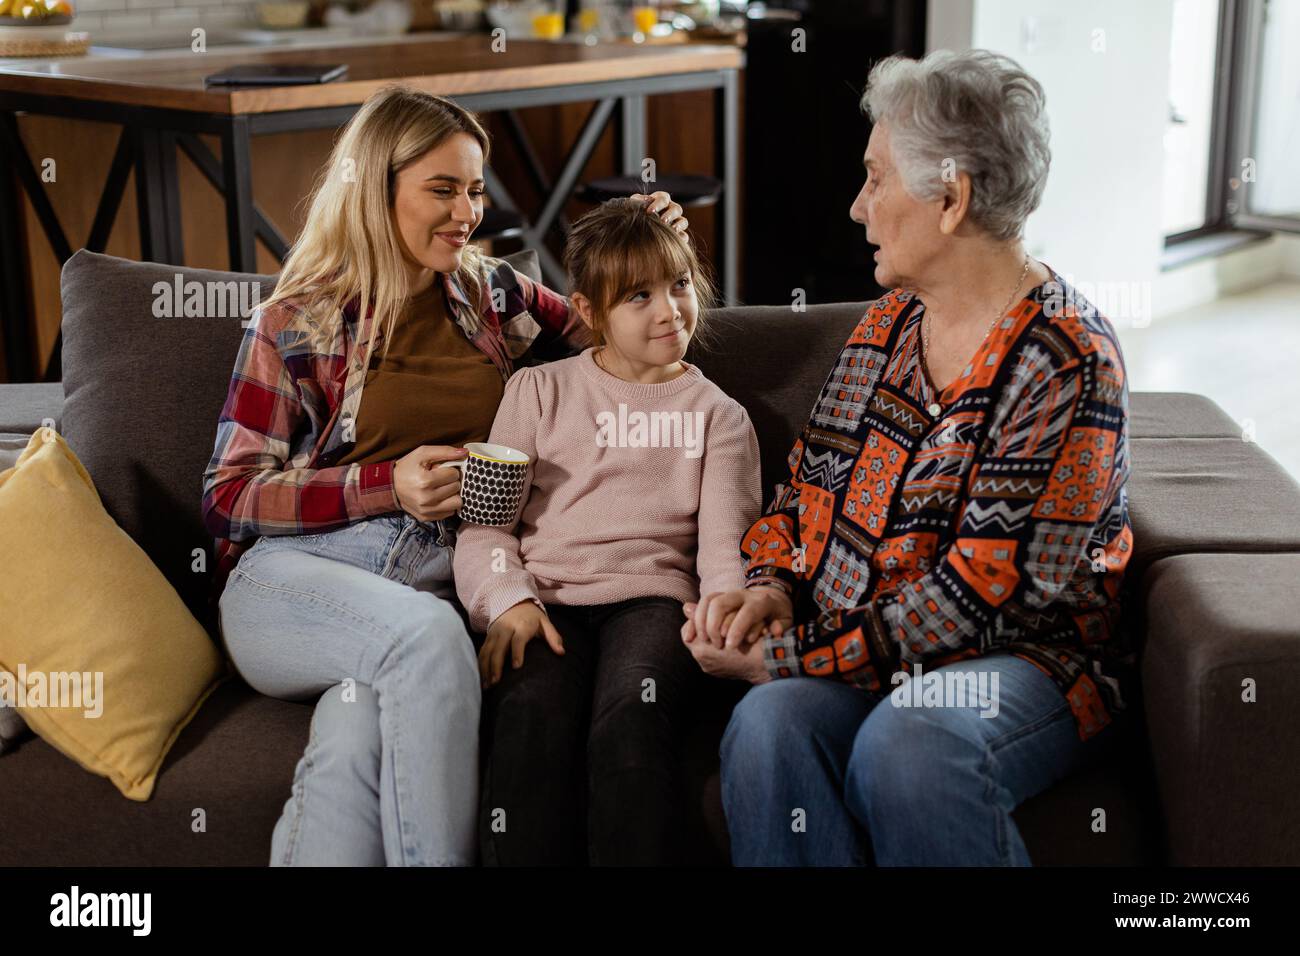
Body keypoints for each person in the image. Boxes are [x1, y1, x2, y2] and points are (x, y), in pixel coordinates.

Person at [201, 84, 690, 866]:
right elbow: (228, 497)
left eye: (472, 189)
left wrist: (652, 251)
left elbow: (618, 331)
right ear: (374, 187)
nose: (466, 212)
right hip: (297, 582)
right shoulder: (296, 319)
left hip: (429, 578)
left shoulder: (488, 292)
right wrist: (385, 485)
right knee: (431, 644)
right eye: (441, 189)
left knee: (353, 738)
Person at [683, 49, 1138, 866]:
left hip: (1022, 664)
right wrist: (773, 588)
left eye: (876, 179)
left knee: (911, 742)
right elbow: (805, 494)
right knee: (767, 724)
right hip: (873, 657)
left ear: (951, 197)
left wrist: (787, 656)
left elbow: (978, 600)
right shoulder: (886, 326)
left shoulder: (1064, 357)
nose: (859, 208)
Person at [453, 198, 762, 865]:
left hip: (652, 603)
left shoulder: (721, 417)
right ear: (588, 310)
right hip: (544, 599)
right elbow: (484, 529)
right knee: (532, 715)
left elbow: (723, 552)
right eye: (638, 296)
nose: (668, 310)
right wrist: (508, 601)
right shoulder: (535, 392)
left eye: (678, 285)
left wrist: (725, 612)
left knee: (631, 714)